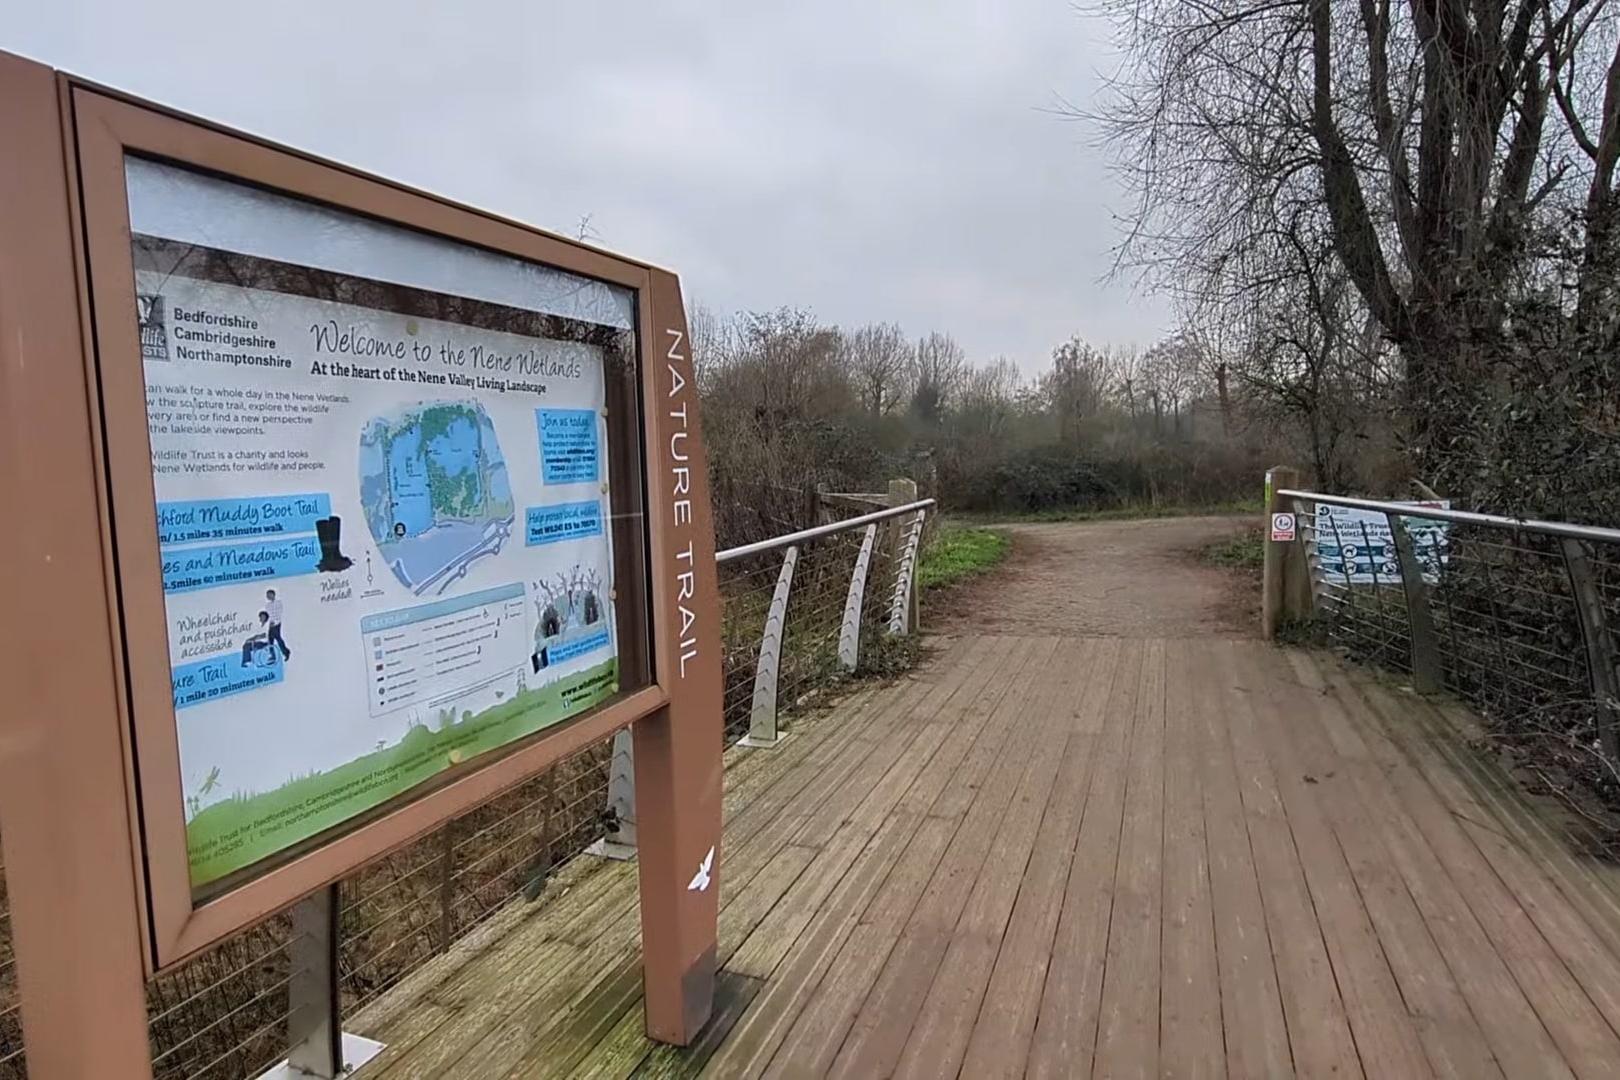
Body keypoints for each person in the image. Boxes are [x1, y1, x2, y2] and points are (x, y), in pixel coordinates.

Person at [265, 588, 290, 660]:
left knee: (278, 639)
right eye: (267, 595)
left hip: (277, 624)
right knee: (270, 640)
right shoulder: (267, 605)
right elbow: (268, 615)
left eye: (269, 595)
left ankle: (286, 652)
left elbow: (279, 614)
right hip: (271, 625)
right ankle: (273, 656)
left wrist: (275, 622)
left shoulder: (278, 603)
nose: (268, 597)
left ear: (273, 595)